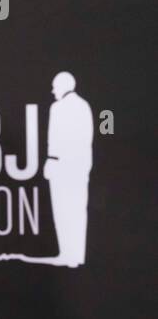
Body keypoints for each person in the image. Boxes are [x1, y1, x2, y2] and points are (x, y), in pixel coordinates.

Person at [44, 71, 93, 267]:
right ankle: (78, 255)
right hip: (81, 167)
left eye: (55, 86)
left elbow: (54, 138)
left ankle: (67, 253)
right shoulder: (84, 106)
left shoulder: (57, 108)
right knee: (78, 210)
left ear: (63, 86)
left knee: (63, 210)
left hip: (62, 166)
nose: (53, 90)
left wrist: (50, 161)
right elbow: (90, 136)